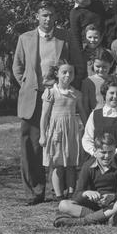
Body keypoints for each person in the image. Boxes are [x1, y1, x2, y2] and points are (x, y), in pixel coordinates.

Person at [12, 0, 70, 205]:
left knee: (60, 142)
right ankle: (34, 192)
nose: (48, 19)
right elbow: (17, 67)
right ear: (37, 17)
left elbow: (74, 64)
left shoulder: (65, 37)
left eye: (51, 14)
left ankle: (61, 190)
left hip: (58, 96)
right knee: (32, 145)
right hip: (34, 98)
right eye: (44, 15)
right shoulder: (25, 38)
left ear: (56, 17)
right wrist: (27, 85)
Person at [53, 132, 117, 227]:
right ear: (95, 151)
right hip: (93, 206)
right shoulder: (88, 166)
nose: (107, 156)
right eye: (103, 152)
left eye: (111, 152)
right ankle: (105, 218)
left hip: (112, 204)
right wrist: (86, 193)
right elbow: (76, 195)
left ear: (115, 151)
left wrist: (113, 196)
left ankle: (82, 221)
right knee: (63, 204)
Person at [39, 62, 84, 201]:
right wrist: (43, 135)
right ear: (57, 74)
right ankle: (59, 196)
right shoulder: (51, 92)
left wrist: (88, 128)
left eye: (71, 72)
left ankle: (71, 193)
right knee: (58, 164)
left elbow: (82, 112)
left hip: (72, 131)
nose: (67, 75)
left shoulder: (76, 93)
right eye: (64, 72)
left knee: (71, 164)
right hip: (56, 131)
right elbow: (44, 116)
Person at [81, 77, 117, 164]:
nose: (115, 96)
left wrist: (113, 153)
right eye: (111, 93)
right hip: (97, 159)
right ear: (105, 94)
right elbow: (87, 138)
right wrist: (95, 153)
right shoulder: (95, 115)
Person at [65, 0, 109, 86]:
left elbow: (106, 25)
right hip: (86, 52)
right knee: (89, 81)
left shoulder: (98, 5)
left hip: (102, 48)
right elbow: (75, 38)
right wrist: (80, 60)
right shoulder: (75, 13)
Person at [79, 49, 115, 119]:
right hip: (96, 118)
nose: (101, 69)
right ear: (92, 63)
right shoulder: (88, 82)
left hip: (113, 117)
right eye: (98, 66)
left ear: (111, 64)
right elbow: (85, 106)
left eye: (104, 67)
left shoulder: (115, 80)